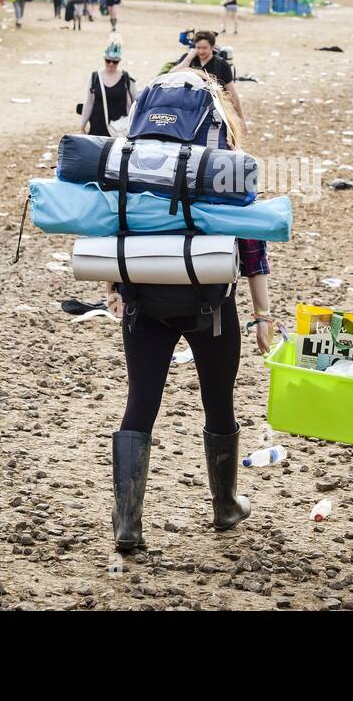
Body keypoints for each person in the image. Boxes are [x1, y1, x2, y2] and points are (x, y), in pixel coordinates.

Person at [104, 78, 274, 553]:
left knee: (140, 402)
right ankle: (224, 505)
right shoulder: (220, 163)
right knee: (218, 402)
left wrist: (113, 285)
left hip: (143, 299)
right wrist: (263, 315)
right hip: (209, 304)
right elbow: (251, 243)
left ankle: (127, 523)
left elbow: (117, 221)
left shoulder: (139, 159)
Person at [175, 30, 246, 132]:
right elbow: (170, 76)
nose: (201, 51)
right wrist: (188, 58)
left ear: (212, 47)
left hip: (213, 113)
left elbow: (232, 94)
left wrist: (240, 119)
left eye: (204, 48)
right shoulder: (188, 60)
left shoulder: (222, 65)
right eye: (198, 48)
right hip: (188, 111)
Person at [80, 37, 136, 137]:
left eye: (115, 62)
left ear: (119, 61)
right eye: (108, 60)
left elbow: (132, 105)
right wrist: (82, 125)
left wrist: (132, 126)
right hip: (97, 127)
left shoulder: (127, 78)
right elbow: (89, 102)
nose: (111, 64)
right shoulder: (94, 77)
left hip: (119, 129)